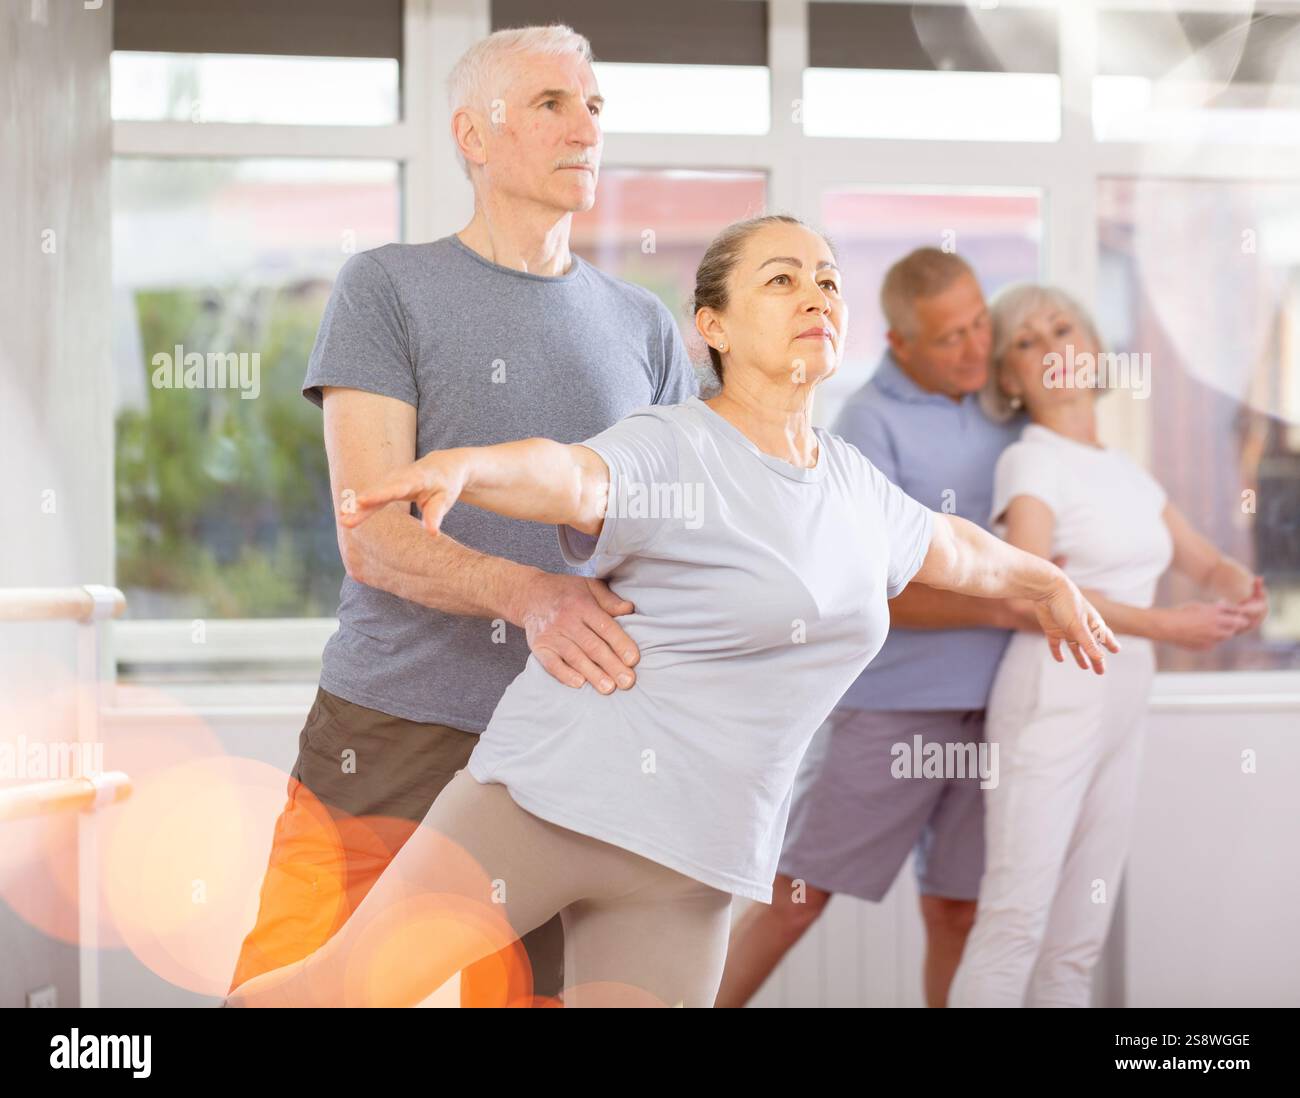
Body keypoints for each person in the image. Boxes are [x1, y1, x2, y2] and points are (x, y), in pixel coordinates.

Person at [225, 215, 1120, 1009]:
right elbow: (570, 473)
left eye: (828, 279)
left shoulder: (852, 485)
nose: (815, 293)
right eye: (781, 278)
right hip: (546, 808)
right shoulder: (677, 447)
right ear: (713, 327)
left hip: (690, 869)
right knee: (335, 995)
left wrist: (1045, 585)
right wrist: (469, 466)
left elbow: (954, 548)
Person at [227, 24, 699, 1006]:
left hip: (569, 736)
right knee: (289, 985)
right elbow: (371, 533)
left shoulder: (644, 326)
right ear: (472, 137)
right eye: (550, 103)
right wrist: (531, 594)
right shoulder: (388, 288)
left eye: (595, 105)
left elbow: (668, 538)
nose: (587, 126)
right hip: (395, 717)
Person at [717, 247, 1033, 1009]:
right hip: (888, 711)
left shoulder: (1004, 408)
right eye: (949, 337)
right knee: (796, 899)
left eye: (978, 325)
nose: (975, 349)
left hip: (996, 710)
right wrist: (1009, 603)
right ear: (901, 345)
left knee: (958, 909)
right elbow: (871, 590)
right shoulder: (867, 423)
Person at [947, 283, 1269, 1007]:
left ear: (1092, 350)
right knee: (1014, 925)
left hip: (1120, 707)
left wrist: (1238, 582)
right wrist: (1164, 626)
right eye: (1026, 342)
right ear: (1009, 378)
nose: (1052, 347)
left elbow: (1204, 561)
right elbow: (1027, 597)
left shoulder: (1123, 470)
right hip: (1052, 702)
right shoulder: (1031, 463)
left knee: (1076, 941)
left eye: (1062, 329)